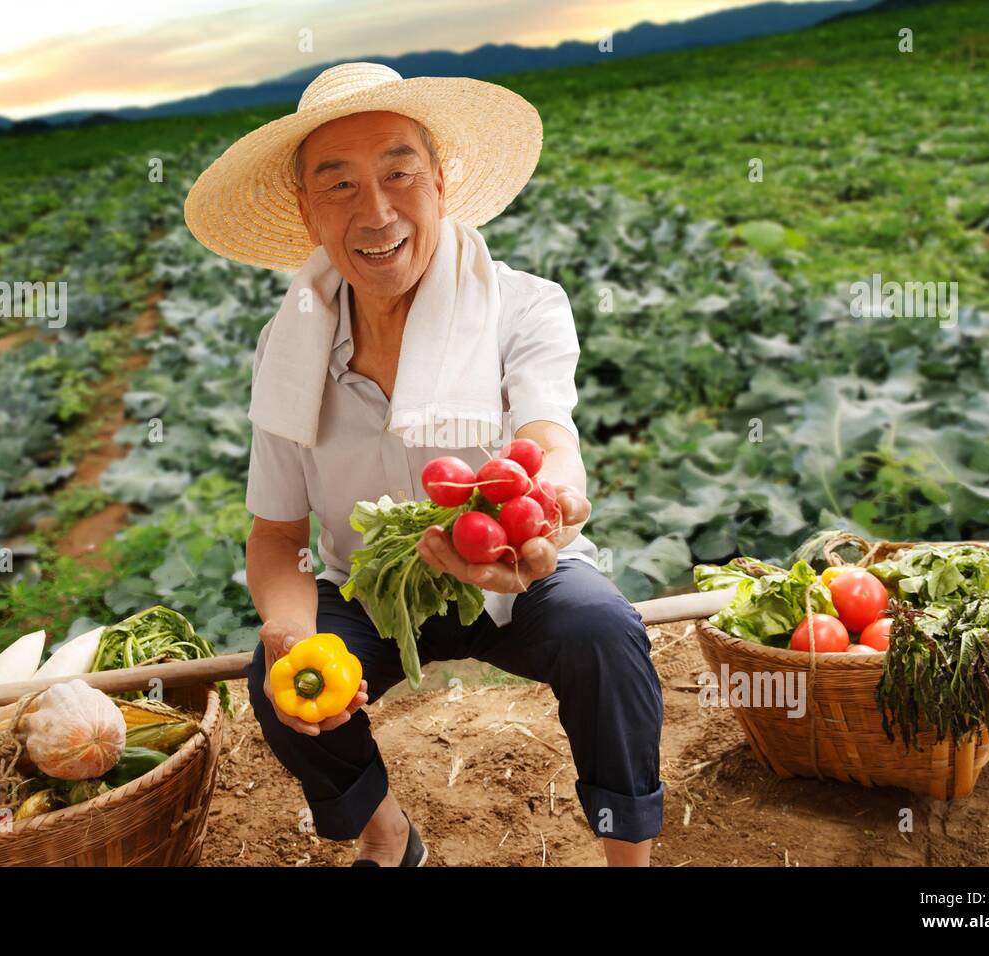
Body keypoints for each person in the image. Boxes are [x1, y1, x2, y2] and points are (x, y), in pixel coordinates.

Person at [184, 62, 664, 866]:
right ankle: (390, 838)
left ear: (440, 181)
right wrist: (289, 631)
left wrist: (554, 502)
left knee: (604, 634)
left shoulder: (524, 305)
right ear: (306, 211)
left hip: (511, 572)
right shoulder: (287, 346)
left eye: (399, 173)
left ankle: (626, 857)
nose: (375, 211)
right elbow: (276, 532)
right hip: (369, 588)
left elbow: (550, 442)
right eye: (337, 186)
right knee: (276, 688)